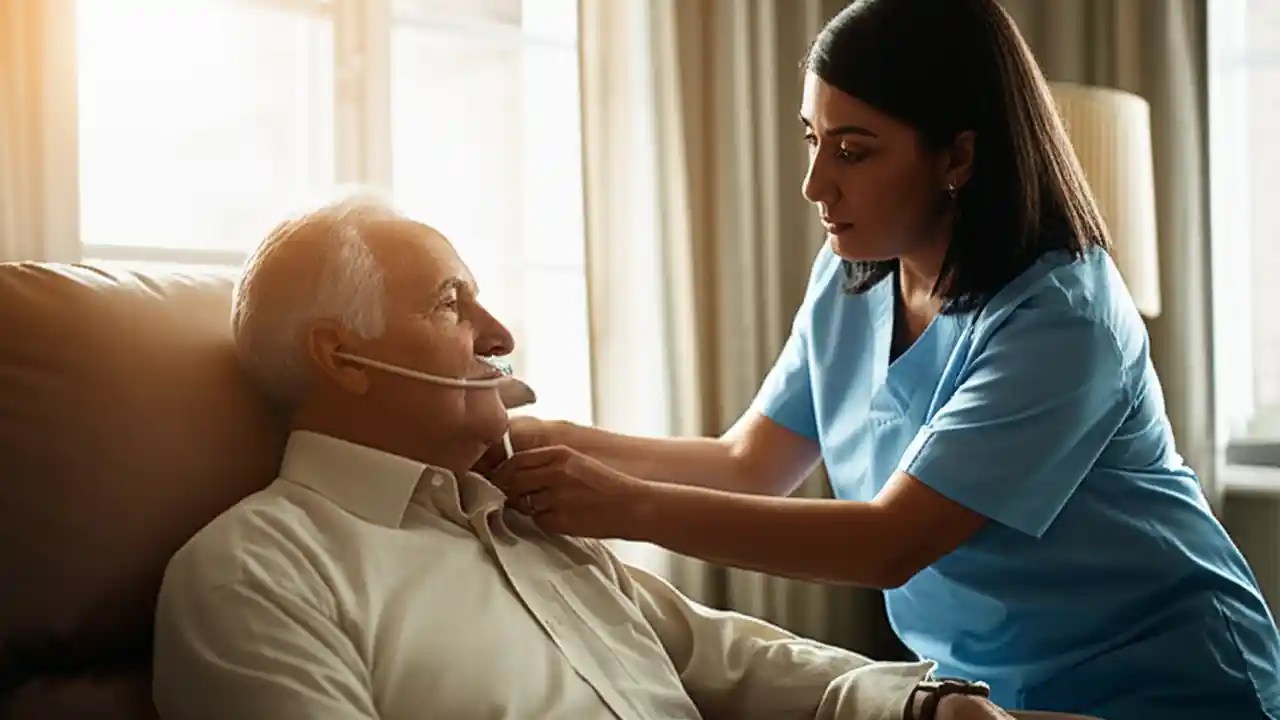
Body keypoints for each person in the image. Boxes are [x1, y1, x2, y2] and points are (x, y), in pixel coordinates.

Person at [485, 1, 1280, 718]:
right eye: (812, 139)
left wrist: (621, 506)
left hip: (1165, 680)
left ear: (958, 158)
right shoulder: (853, 274)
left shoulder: (1063, 320)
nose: (814, 184)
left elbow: (890, 542)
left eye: (853, 151)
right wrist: (552, 441)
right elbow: (749, 464)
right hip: (990, 690)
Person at [151, 196, 1014, 720]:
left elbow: (727, 659)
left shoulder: (524, 520)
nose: (501, 336)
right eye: (451, 304)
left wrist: (922, 705)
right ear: (341, 358)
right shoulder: (256, 573)